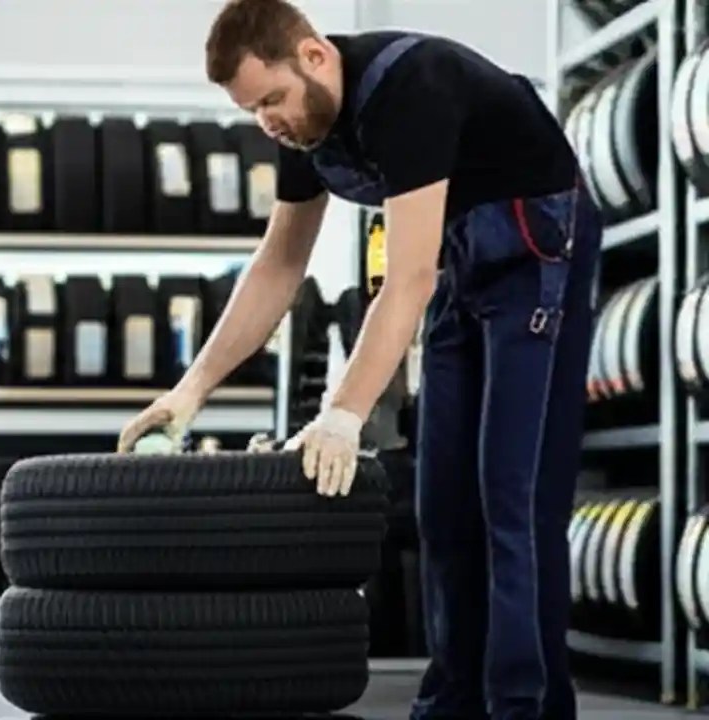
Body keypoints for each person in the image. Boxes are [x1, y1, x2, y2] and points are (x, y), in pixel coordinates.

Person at [116, 1, 601, 718]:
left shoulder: (412, 88)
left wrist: (342, 415)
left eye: (270, 100)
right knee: (442, 504)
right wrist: (189, 393)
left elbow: (406, 279)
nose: (268, 122)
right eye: (253, 110)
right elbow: (279, 267)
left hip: (537, 253)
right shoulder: (305, 124)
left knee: (512, 498)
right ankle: (453, 704)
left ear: (313, 56)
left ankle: (524, 707)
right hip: (465, 264)